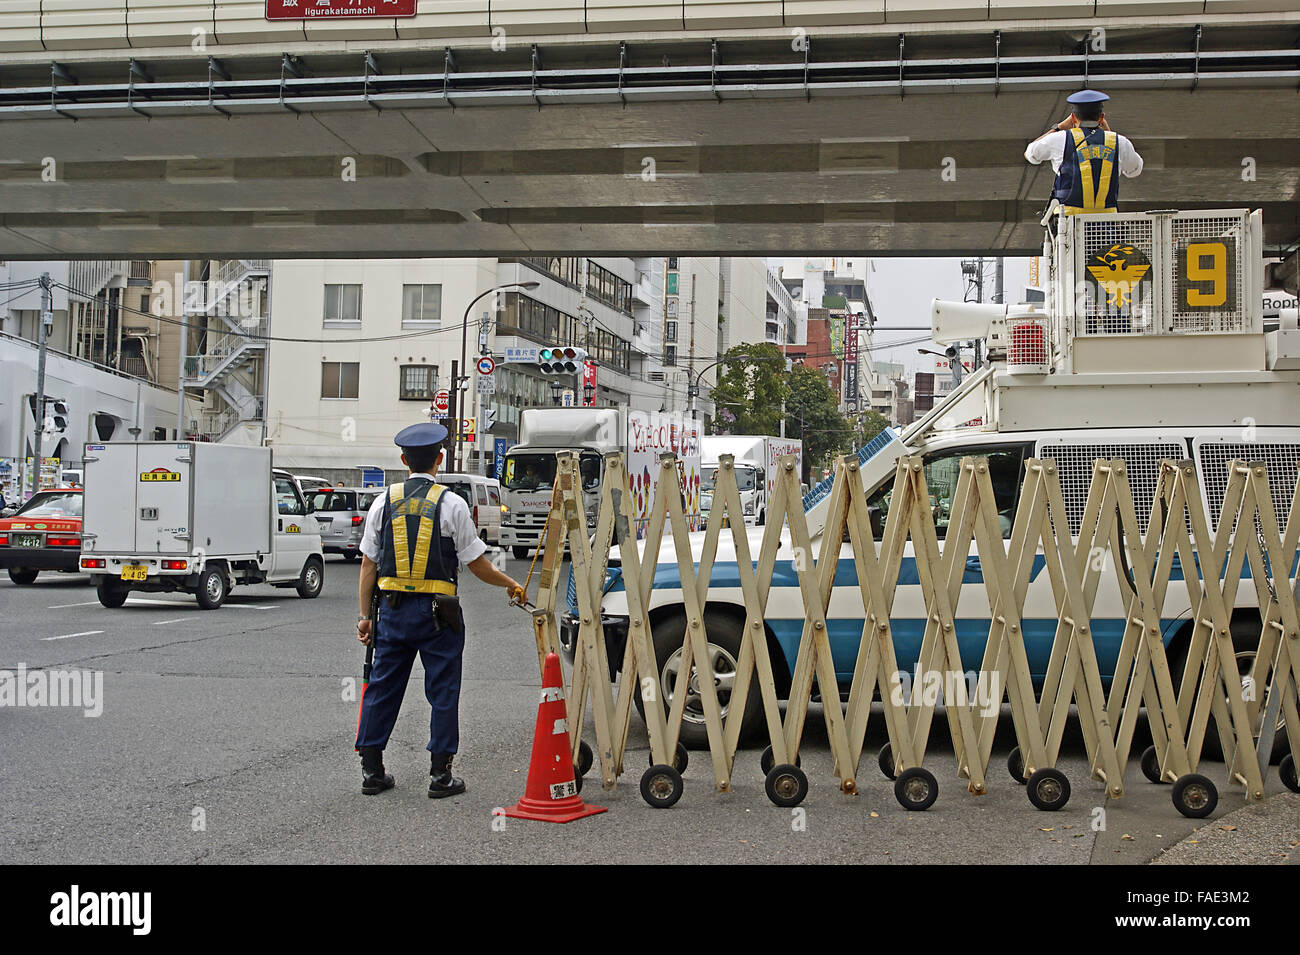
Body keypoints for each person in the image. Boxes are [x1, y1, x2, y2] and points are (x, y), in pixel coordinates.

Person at [354, 421, 526, 798]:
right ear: (440, 459)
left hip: (392, 612)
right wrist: (511, 584)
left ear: (403, 459)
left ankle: (371, 769)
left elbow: (368, 564)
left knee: (382, 688)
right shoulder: (452, 504)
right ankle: (440, 775)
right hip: (439, 615)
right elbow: (478, 564)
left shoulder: (383, 502)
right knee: (443, 690)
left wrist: (366, 615)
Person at [1024, 89, 1143, 216]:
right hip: (1107, 223)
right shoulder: (1120, 142)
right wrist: (1109, 132)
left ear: (1073, 118)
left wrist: (1059, 127)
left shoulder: (1059, 139)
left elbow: (1031, 154)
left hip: (1068, 221)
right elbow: (1134, 171)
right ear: (1101, 117)